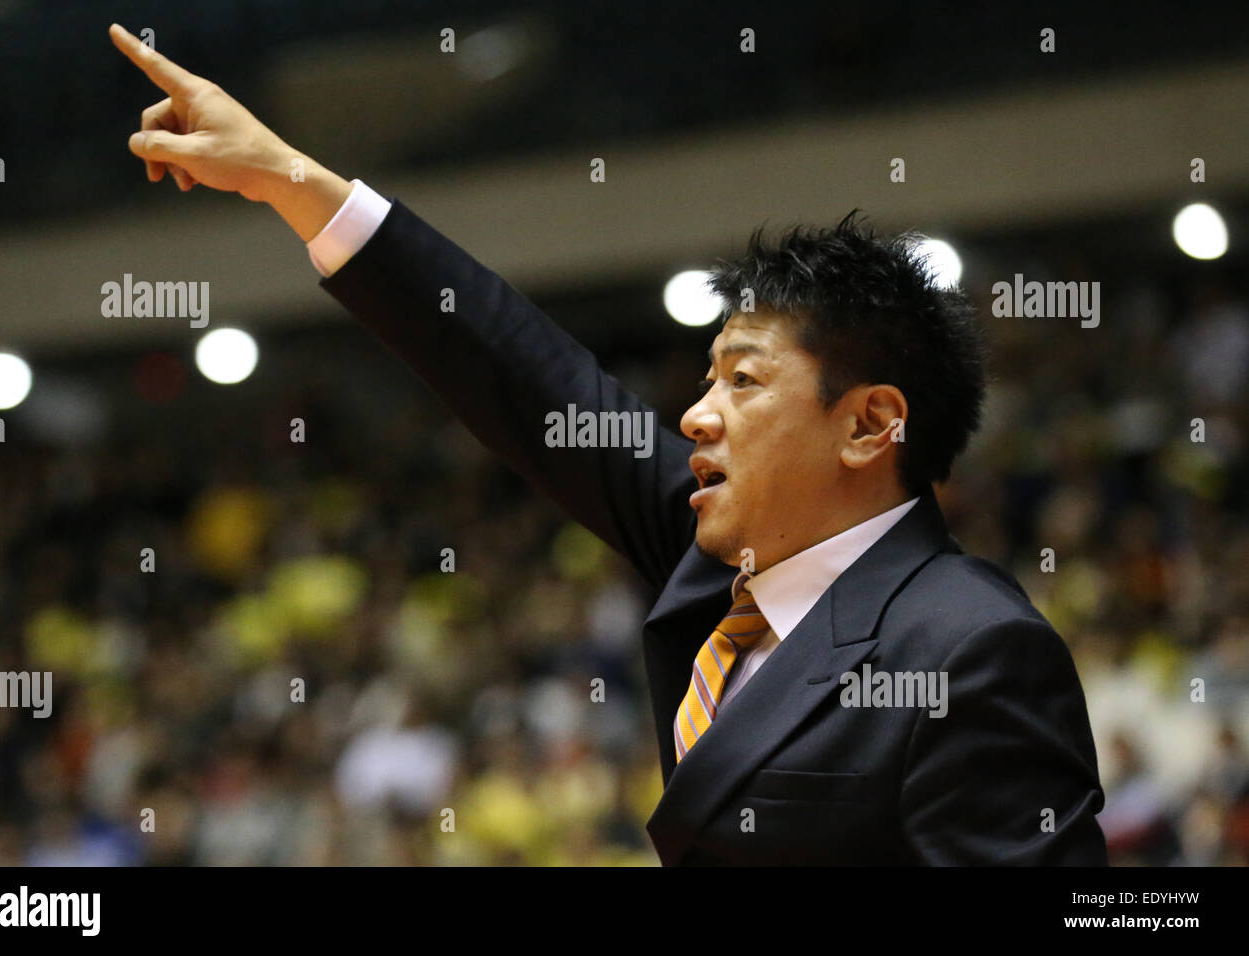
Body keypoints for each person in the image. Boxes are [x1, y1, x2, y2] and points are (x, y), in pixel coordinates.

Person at [108, 23, 1108, 865]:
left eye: (743, 379)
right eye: (709, 375)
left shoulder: (972, 648)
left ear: (867, 423)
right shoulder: (718, 561)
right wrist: (292, 180)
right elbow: (522, 373)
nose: (696, 414)